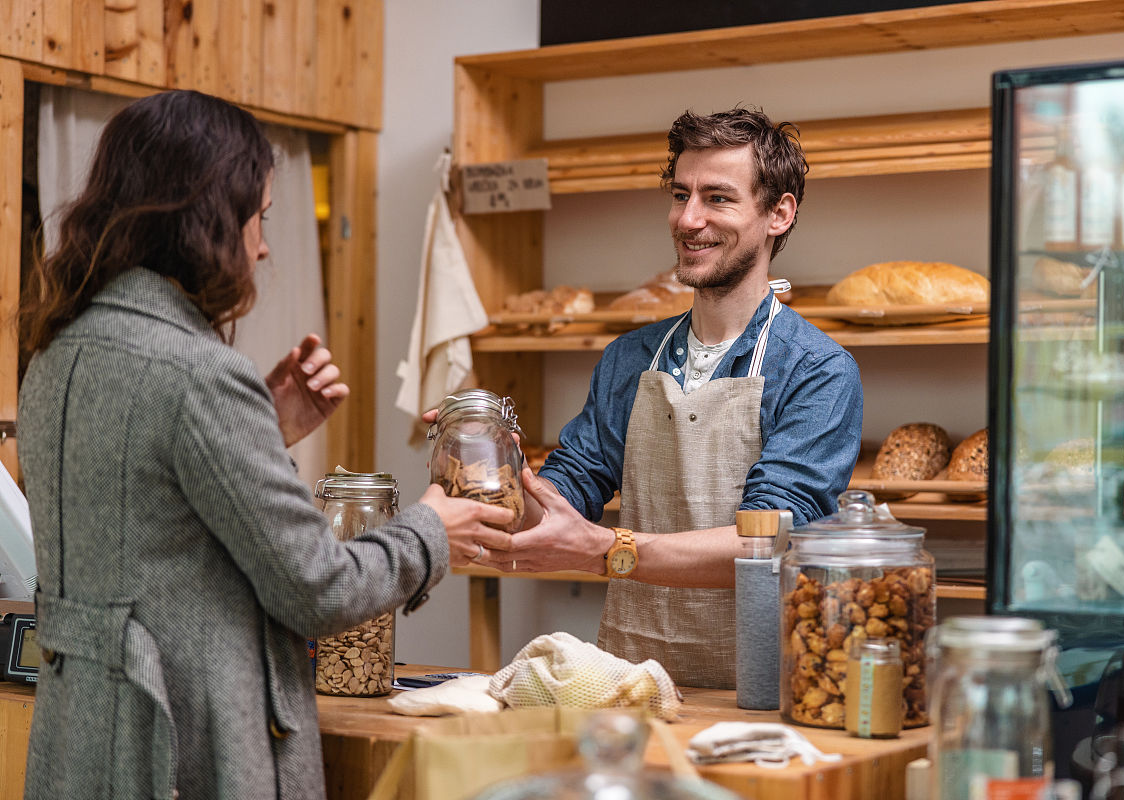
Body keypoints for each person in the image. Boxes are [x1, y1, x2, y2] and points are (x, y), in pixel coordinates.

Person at [16, 90, 513, 800]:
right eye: (259, 217)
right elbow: (320, 588)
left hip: (82, 749)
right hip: (186, 755)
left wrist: (265, 429)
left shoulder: (57, 353)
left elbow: (144, 514)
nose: (264, 243)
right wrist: (433, 529)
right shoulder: (200, 374)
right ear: (207, 218)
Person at [486, 107, 863, 690]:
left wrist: (609, 549)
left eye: (717, 198)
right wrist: (498, 467)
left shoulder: (817, 370)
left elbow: (765, 538)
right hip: (630, 684)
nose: (689, 220)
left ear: (779, 215)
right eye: (681, 194)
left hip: (764, 689)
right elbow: (568, 496)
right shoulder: (629, 359)